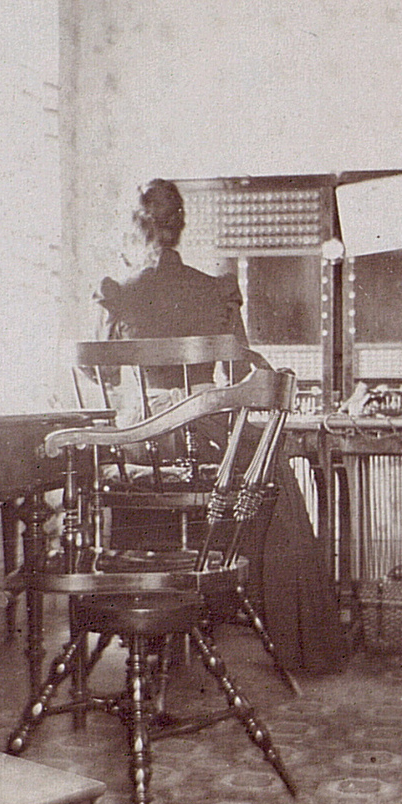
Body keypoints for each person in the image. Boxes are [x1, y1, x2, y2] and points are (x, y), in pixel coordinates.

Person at [91, 179, 349, 675]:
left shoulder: (117, 292)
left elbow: (96, 374)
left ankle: (159, 618)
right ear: (181, 226)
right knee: (271, 475)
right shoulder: (214, 290)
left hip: (142, 448)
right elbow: (241, 369)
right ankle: (296, 638)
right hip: (202, 439)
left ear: (136, 227)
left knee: (154, 474)